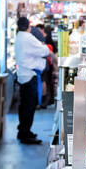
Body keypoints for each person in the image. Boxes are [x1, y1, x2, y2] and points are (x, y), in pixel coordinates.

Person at [13, 15, 51, 144]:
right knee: (29, 106)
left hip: (23, 75)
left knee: (24, 105)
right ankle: (25, 134)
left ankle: (23, 130)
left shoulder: (19, 37)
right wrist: (45, 47)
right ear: (28, 26)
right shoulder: (28, 38)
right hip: (30, 76)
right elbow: (44, 51)